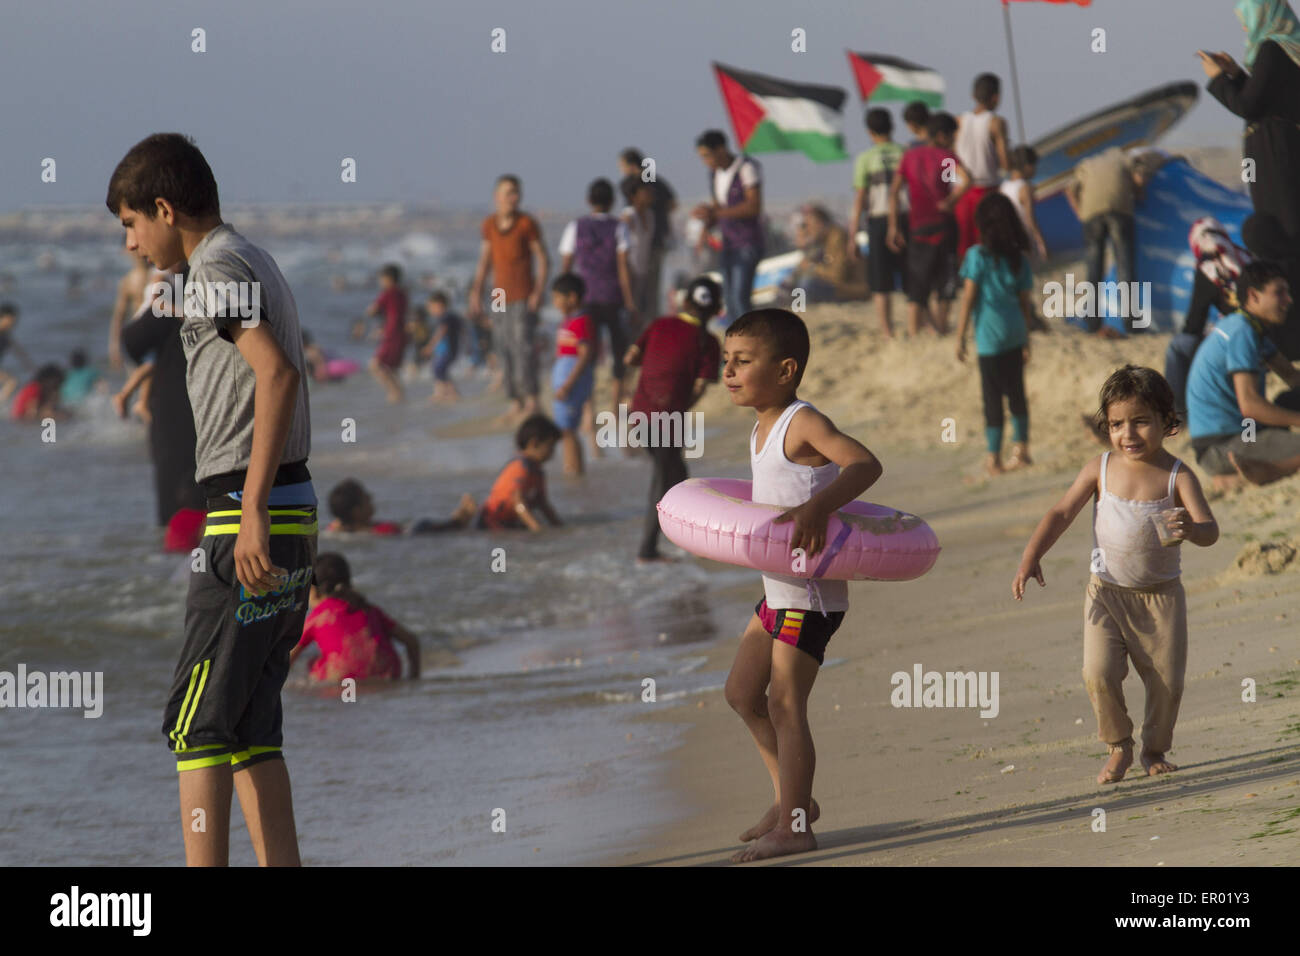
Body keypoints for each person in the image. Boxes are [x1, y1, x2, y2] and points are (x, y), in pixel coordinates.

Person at [108, 132, 317, 867]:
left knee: (195, 725)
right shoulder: (250, 256)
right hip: (291, 507)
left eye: (133, 224)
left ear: (165, 208)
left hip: (247, 514)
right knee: (250, 723)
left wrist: (251, 508)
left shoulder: (216, 268)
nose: (132, 244)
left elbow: (278, 373)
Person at [720, 308, 883, 862]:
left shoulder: (802, 422)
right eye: (726, 361)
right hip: (777, 591)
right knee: (742, 695)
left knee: (785, 703)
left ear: (785, 369)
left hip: (809, 596)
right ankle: (793, 799)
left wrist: (817, 506)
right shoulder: (762, 424)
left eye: (743, 361)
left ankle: (795, 826)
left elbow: (864, 464)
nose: (729, 371)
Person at [1014, 366, 1218, 784]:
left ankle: (1154, 748)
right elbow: (1060, 512)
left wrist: (1191, 530)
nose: (1128, 434)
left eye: (1141, 421)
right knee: (1097, 672)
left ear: (1167, 421)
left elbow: (1210, 530)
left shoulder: (1179, 475)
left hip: (1161, 599)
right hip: (1105, 593)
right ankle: (1118, 744)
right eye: (1116, 424)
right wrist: (1032, 555)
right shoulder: (1100, 468)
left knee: (1166, 683)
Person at [624, 275, 723, 562]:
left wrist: (655, 365)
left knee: (676, 477)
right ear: (717, 310)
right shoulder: (709, 342)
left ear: (684, 302)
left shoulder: (659, 324)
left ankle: (684, 540)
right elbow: (701, 386)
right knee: (668, 479)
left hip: (638, 415)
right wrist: (680, 407)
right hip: (669, 419)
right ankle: (649, 549)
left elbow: (630, 359)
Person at [1185, 259, 1300, 487]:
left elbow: (1292, 377)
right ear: (1254, 296)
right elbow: (1251, 406)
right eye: (1279, 293)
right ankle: (1263, 473)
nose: (1289, 300)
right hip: (1222, 445)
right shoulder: (1242, 332)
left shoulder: (1250, 327)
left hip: (1242, 431)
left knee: (1291, 399)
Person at [1200, 0, 1300, 239]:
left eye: (1247, 20)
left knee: (1279, 231)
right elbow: (1266, 101)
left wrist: (1217, 79)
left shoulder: (1271, 48)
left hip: (1274, 154)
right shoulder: (1289, 48)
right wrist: (1234, 74)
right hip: (1284, 146)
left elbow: (1247, 106)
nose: (1245, 28)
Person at [118, 257, 205, 526]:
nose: (133, 246)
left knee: (177, 493)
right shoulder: (223, 271)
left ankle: (177, 553)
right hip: (207, 412)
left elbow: (134, 342)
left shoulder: (177, 281)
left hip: (176, 411)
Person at [955, 192, 1037, 475]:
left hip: (989, 337)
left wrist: (960, 337)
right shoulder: (1018, 259)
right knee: (1016, 393)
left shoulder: (977, 256)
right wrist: (1027, 339)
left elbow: (968, 298)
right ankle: (1022, 450)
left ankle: (994, 458)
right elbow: (1025, 303)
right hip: (1015, 332)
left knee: (992, 397)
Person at [469, 174, 549, 423]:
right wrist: (476, 292)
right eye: (508, 193)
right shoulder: (489, 225)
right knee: (503, 347)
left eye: (516, 192)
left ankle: (533, 401)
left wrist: (537, 292)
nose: (513, 198)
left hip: (523, 294)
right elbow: (485, 261)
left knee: (522, 347)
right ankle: (515, 402)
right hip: (499, 294)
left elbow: (543, 260)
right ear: (497, 197)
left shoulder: (527, 223)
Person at [889, 112, 971, 337]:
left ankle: (914, 332)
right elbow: (967, 179)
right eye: (953, 135)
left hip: (918, 227)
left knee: (918, 284)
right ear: (943, 135)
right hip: (943, 224)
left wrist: (893, 226)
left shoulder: (910, 156)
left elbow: (894, 191)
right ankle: (941, 329)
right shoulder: (946, 156)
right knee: (944, 283)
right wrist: (952, 200)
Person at [1164, 217, 1253, 421]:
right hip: (1266, 336)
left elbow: (1194, 323)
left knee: (1179, 346)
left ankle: (1175, 414)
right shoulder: (1246, 256)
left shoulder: (1209, 265)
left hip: (1242, 341)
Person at [559, 179, 635, 410]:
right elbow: (623, 269)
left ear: (588, 200)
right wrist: (631, 302)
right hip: (613, 297)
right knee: (618, 351)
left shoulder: (576, 226)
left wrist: (565, 299)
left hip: (586, 299)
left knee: (588, 354)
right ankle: (613, 407)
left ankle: (588, 408)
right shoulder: (619, 227)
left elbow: (566, 265)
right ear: (612, 202)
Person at [290, 552, 421, 682]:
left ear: (313, 590)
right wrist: (413, 679)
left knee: (313, 664)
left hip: (342, 678)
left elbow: (287, 655)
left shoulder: (319, 616)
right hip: (388, 673)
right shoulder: (368, 609)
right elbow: (411, 641)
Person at [1066, 147, 1148, 335]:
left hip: (1092, 214)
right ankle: (1131, 322)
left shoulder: (1087, 164)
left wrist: (1080, 212)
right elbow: (1139, 179)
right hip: (1119, 211)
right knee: (1125, 268)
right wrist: (1139, 193)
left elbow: (1070, 189)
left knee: (1094, 270)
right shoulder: (1124, 159)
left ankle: (1093, 322)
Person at [693, 130, 764, 326]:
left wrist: (717, 213)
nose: (706, 160)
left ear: (721, 149)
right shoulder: (715, 174)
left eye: (707, 155)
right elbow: (718, 206)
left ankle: (748, 345)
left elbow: (753, 206)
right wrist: (706, 224)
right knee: (730, 301)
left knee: (741, 298)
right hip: (728, 244)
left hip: (747, 242)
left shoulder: (746, 168)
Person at [850, 107, 908, 337]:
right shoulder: (905, 152)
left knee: (880, 280)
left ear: (869, 131)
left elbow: (860, 199)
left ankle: (887, 330)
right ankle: (918, 323)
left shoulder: (865, 159)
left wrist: (853, 234)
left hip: (878, 220)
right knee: (910, 275)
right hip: (905, 218)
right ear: (892, 126)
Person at [953, 73, 1011, 261]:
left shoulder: (959, 121)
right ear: (996, 97)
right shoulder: (996, 123)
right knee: (990, 242)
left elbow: (951, 157)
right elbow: (1005, 162)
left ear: (973, 96)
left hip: (961, 190)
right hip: (987, 190)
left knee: (964, 244)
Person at [478, 414, 563, 531]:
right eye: (550, 446)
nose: (553, 453)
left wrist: (559, 526)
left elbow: (542, 503)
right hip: (491, 521)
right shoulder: (520, 467)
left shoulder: (537, 472)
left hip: (511, 521)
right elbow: (518, 501)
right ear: (534, 443)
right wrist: (537, 528)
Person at [618, 148, 676, 317]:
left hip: (649, 244)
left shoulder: (636, 184)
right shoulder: (655, 182)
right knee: (648, 291)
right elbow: (673, 204)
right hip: (653, 242)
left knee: (644, 291)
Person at [548, 273, 596, 476]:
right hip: (565, 381)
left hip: (571, 383)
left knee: (568, 431)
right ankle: (573, 470)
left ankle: (574, 472)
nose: (554, 303)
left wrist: (568, 384)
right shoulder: (568, 321)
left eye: (557, 298)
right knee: (566, 431)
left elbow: (585, 356)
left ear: (572, 298)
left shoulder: (581, 322)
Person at [325, 477, 476, 535]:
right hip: (414, 533)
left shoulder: (336, 528)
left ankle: (460, 516)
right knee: (427, 524)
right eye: (365, 497)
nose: (371, 497)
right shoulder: (382, 531)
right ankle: (460, 519)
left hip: (408, 531)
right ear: (357, 512)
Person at [787, 206, 867, 305]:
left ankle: (803, 310)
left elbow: (837, 275)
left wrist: (812, 267)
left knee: (807, 283)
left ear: (820, 224)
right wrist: (804, 241)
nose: (809, 230)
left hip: (851, 288)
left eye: (810, 226)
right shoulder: (822, 240)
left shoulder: (837, 238)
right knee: (796, 282)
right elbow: (802, 266)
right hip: (839, 286)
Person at [619, 176, 659, 338]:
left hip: (643, 271)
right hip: (630, 271)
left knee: (643, 312)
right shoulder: (629, 216)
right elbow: (622, 250)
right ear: (634, 195)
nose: (650, 194)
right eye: (645, 191)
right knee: (630, 312)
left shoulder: (649, 215)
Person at [363, 264, 408, 403]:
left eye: (382, 279)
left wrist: (372, 312)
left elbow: (372, 310)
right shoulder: (402, 294)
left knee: (375, 365)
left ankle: (394, 393)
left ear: (388, 279)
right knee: (392, 368)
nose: (380, 282)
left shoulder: (387, 294)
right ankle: (399, 394)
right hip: (402, 333)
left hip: (391, 333)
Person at [999, 146, 1048, 263]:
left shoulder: (1003, 187)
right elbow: (1030, 219)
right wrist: (1042, 243)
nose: (1035, 170)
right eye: (1034, 166)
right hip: (1024, 239)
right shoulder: (1024, 188)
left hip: (1009, 239)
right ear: (1027, 166)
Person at [106, 247, 152, 371]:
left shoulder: (159, 273)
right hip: (138, 334)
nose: (137, 253)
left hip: (156, 333)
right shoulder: (127, 281)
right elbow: (119, 316)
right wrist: (115, 346)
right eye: (134, 250)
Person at [420, 291, 463, 403]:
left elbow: (441, 332)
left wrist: (430, 347)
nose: (430, 311)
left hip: (447, 351)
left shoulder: (446, 317)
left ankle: (452, 392)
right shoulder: (449, 317)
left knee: (439, 369)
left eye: (431, 307)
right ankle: (441, 393)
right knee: (438, 370)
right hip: (445, 350)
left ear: (439, 305)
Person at [0, 302, 34, 403]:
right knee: (11, 382)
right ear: (4, 317)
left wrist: (31, 367)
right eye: (12, 319)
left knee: (11, 382)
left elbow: (19, 352)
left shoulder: (6, 334)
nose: (14, 323)